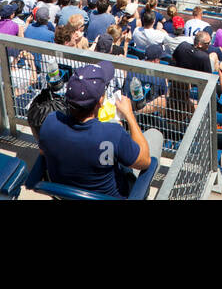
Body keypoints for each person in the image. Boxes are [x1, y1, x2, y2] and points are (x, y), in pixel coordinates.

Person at [35, 61, 158, 198]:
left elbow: (44, 152)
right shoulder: (112, 133)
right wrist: (129, 115)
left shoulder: (51, 122)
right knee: (154, 135)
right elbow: (145, 161)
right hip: (115, 196)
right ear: (101, 101)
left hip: (64, 195)